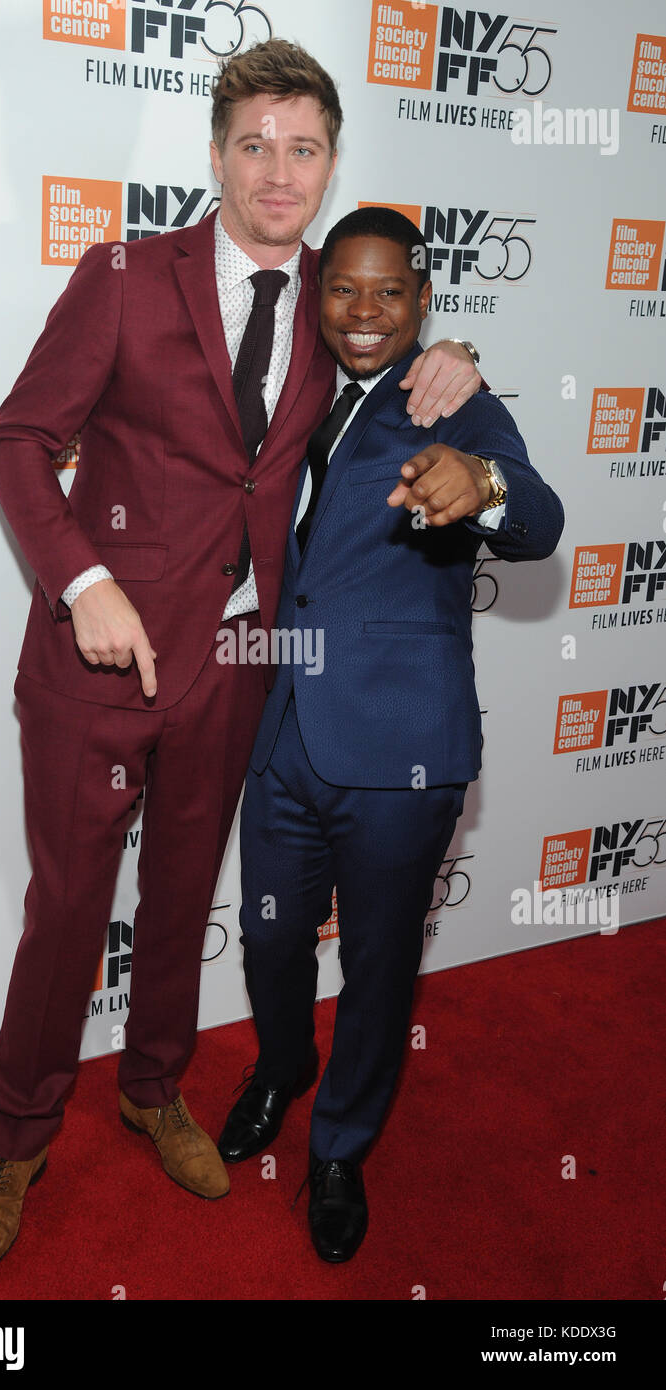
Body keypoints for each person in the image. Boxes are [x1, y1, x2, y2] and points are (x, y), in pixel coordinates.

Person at [0, 42, 483, 1279]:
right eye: (256, 145)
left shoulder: (343, 307)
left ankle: (152, 1089)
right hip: (100, 658)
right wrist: (83, 581)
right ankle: (16, 1145)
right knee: (67, 914)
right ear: (216, 156)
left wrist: (460, 362)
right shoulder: (127, 277)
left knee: (186, 897)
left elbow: (409, 386)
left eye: (303, 148)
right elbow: (19, 439)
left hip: (239, 661)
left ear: (330, 159)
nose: (279, 172)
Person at [218, 206, 565, 1263]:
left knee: (374, 966)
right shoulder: (303, 389)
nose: (364, 312)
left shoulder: (452, 400)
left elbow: (540, 515)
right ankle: (283, 1063)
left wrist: (484, 485)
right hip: (284, 729)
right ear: (318, 299)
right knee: (272, 934)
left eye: (388, 293)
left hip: (401, 750)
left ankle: (341, 1148)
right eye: (343, 290)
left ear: (421, 301)